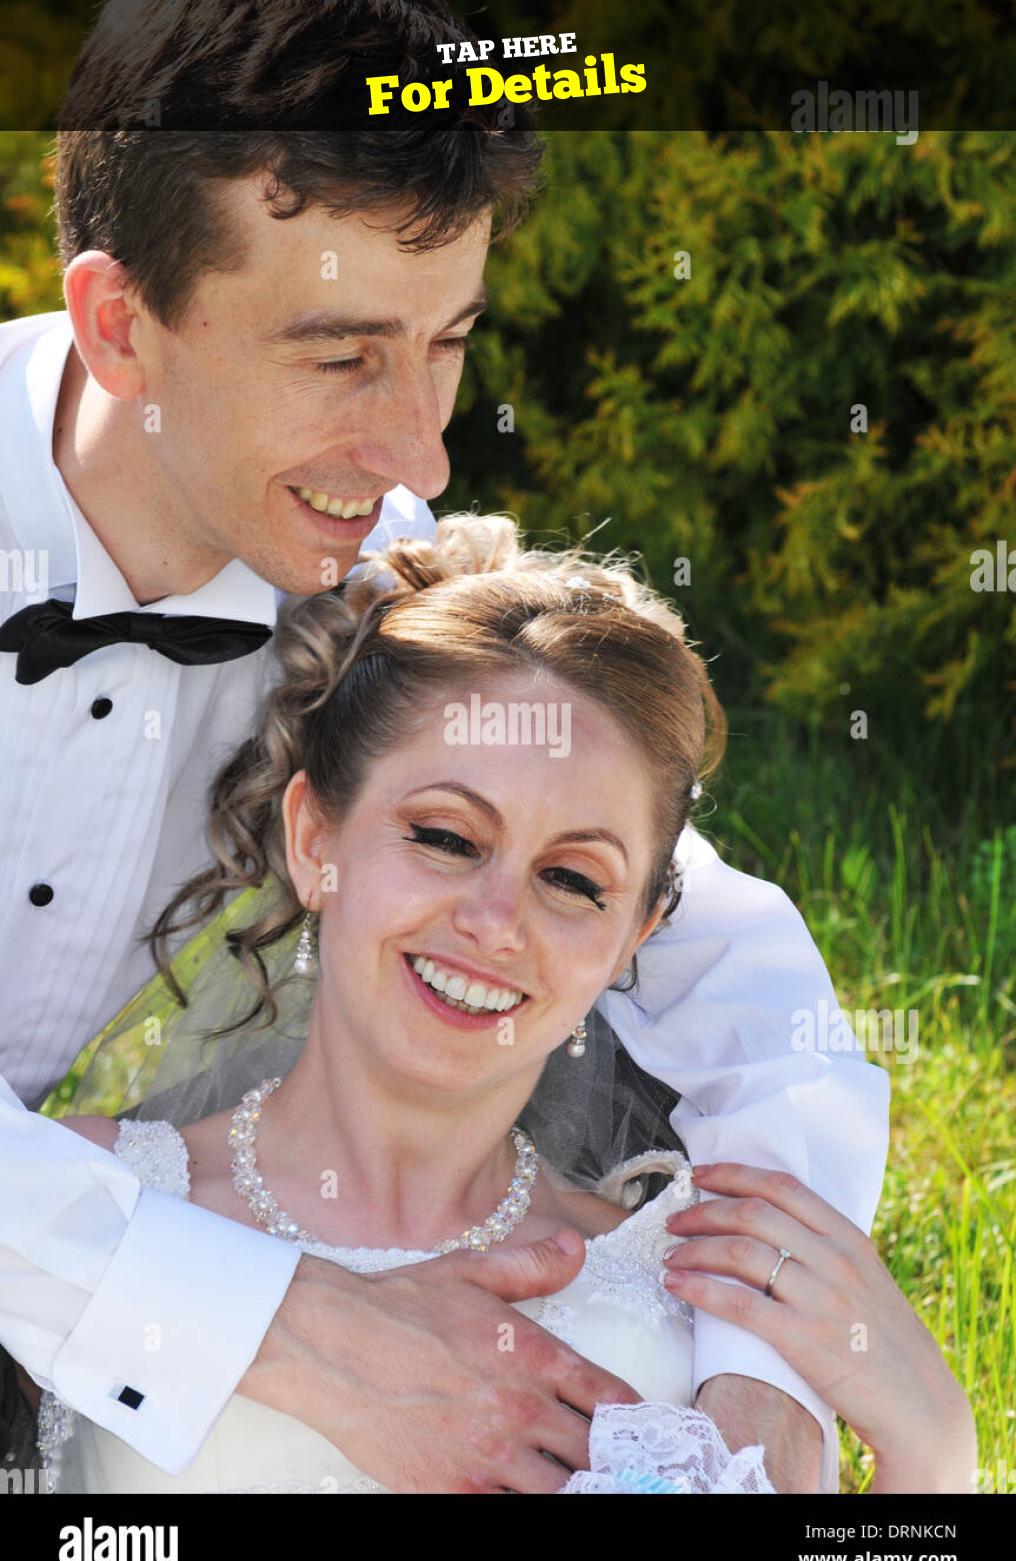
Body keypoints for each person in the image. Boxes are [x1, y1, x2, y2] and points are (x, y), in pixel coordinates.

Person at [0, 1, 889, 1494]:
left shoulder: (364, 575)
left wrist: (767, 1358)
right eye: (342, 356)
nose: (422, 454)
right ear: (118, 324)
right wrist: (261, 1321)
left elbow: (713, 951)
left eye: (448, 348)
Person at [24, 518, 974, 1494]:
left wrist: (931, 1454)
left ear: (635, 934)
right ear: (315, 840)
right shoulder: (84, 1205)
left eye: (570, 879)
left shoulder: (684, 1297)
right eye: (442, 835)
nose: (494, 922)